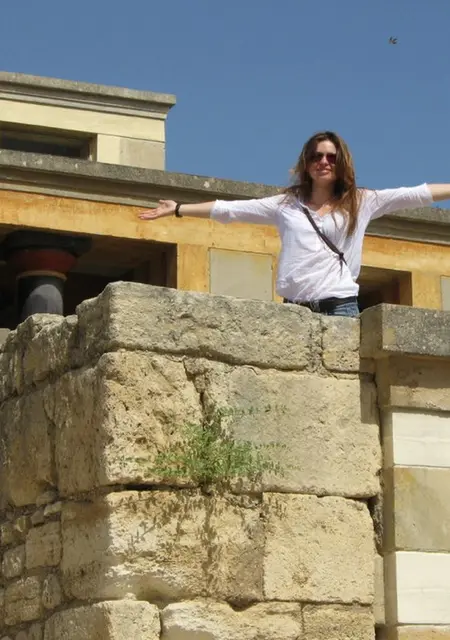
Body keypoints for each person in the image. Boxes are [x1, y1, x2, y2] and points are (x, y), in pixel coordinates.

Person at [138, 131, 450, 317]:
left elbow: (416, 194)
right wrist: (178, 209)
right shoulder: (286, 205)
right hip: (294, 308)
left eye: (331, 157)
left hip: (340, 308)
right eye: (316, 156)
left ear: (342, 163)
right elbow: (230, 210)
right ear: (306, 162)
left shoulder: (361, 201)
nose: (323, 162)